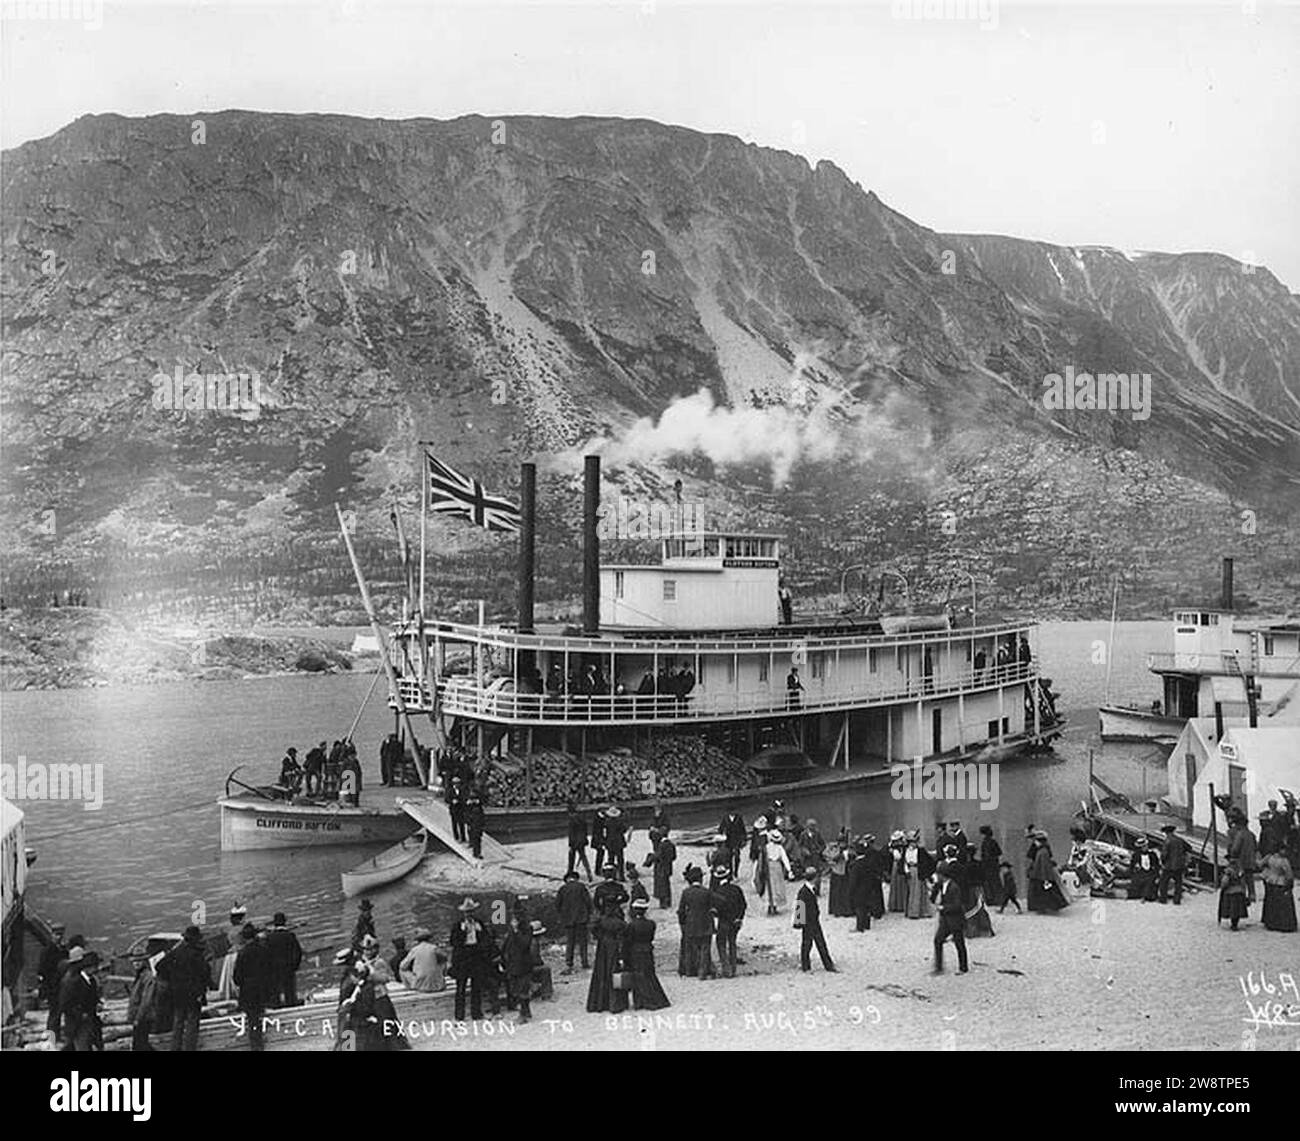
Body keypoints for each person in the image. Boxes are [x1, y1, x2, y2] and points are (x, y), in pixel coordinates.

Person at [156, 925, 213, 1052]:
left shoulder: (175, 952)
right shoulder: (196, 954)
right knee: (192, 1024)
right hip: (193, 994)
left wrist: (171, 979)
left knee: (178, 1023)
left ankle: (175, 1048)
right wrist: (204, 987)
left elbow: (159, 966)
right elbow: (205, 973)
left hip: (177, 994)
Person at [622, 899, 670, 1009]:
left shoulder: (631, 925)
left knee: (638, 976)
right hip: (647, 950)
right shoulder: (651, 924)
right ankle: (655, 999)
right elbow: (651, 938)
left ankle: (640, 1002)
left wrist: (624, 956)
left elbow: (628, 941)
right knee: (649, 974)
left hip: (635, 952)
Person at [233, 924, 272, 1051]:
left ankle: (256, 1046)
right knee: (262, 1014)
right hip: (263, 988)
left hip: (248, 991)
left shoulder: (242, 953)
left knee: (253, 1020)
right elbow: (269, 968)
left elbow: (237, 977)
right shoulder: (263, 950)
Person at [586, 902, 630, 1014]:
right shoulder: (620, 923)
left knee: (601, 972)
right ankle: (615, 1004)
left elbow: (592, 928)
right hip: (614, 947)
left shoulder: (601, 921)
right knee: (614, 972)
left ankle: (599, 1003)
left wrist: (599, 937)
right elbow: (625, 935)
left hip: (603, 947)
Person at [450, 898, 490, 1021]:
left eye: (471, 911)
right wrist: (463, 932)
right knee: (460, 987)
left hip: (475, 955)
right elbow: (453, 942)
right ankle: (459, 1015)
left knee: (476, 986)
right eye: (467, 912)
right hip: (463, 957)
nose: (469, 914)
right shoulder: (458, 925)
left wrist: (480, 933)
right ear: (464, 913)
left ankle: (476, 1013)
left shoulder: (479, 923)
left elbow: (487, 940)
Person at [677, 866, 717, 979]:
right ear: (700, 879)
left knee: (690, 948)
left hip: (691, 923)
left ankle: (689, 970)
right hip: (705, 923)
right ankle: (703, 972)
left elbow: (681, 910)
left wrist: (682, 923)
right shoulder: (706, 892)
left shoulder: (686, 892)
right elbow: (713, 906)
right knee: (705, 948)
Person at [59, 949, 102, 1051]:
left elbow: (93, 999)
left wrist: (98, 1004)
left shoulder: (92, 981)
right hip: (76, 1023)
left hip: (90, 1022)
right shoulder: (74, 982)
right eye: (94, 966)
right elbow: (65, 1004)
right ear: (86, 967)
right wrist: (80, 1014)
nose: (96, 969)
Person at [795, 867, 837, 973]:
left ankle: (823, 965)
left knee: (816, 943)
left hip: (812, 921)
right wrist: (801, 923)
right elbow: (800, 908)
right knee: (810, 944)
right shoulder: (804, 892)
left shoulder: (806, 890)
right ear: (814, 878)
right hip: (809, 922)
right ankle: (810, 966)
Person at [931, 862, 969, 974]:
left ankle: (963, 967)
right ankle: (939, 967)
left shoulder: (954, 887)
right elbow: (933, 897)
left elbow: (957, 906)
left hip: (955, 919)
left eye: (938, 875)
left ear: (943, 875)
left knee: (959, 943)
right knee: (938, 940)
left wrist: (943, 908)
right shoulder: (942, 885)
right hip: (946, 920)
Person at [711, 866, 746, 978]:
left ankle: (726, 969)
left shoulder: (718, 892)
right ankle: (733, 968)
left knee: (721, 943)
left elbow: (716, 909)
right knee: (732, 943)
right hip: (736, 921)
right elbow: (743, 905)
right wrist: (739, 917)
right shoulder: (737, 889)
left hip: (724, 921)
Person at [556, 870, 593, 972]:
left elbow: (557, 905)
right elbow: (588, 902)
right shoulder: (581, 887)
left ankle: (569, 962)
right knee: (583, 942)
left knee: (570, 942)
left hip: (568, 920)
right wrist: (589, 914)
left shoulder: (562, 889)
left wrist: (563, 915)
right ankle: (584, 962)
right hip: (581, 919)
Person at [500, 917, 535, 1023]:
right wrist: (502, 959)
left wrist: (516, 931)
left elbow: (524, 944)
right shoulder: (511, 932)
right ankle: (526, 1011)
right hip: (513, 964)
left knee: (523, 989)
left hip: (524, 964)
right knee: (515, 989)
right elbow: (506, 946)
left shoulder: (527, 930)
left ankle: (523, 1014)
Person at [265, 912, 302, 1007]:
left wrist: (268, 966)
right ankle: (291, 1002)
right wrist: (295, 965)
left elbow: (266, 953)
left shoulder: (269, 937)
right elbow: (298, 952)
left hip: (274, 967)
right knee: (289, 988)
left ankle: (276, 1003)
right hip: (288, 966)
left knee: (275, 988)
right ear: (285, 922)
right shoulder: (290, 936)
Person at [1027, 834, 1068, 912]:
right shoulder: (1043, 851)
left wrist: (1043, 877)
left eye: (1036, 841)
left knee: (1045, 892)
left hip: (1041, 876)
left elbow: (1043, 866)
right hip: (1042, 875)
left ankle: (1044, 908)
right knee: (1048, 892)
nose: (1035, 843)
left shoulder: (1042, 852)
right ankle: (1049, 907)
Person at [38, 924, 69, 1027]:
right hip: (52, 986)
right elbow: (42, 970)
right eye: (56, 934)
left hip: (61, 985)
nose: (59, 937)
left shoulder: (63, 950)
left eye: (60, 935)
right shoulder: (47, 951)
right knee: (54, 1013)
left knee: (59, 1011)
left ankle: (57, 1036)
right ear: (52, 935)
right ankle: (51, 1038)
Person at [1259, 850, 1297, 933]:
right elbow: (1289, 873)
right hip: (1281, 882)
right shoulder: (1284, 861)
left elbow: (1259, 864)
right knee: (1283, 905)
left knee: (1271, 903)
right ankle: (1283, 924)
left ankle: (1270, 922)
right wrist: (1290, 882)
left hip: (1270, 880)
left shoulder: (1269, 857)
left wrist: (1266, 872)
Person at [1226, 810, 1258, 905]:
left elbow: (1235, 848)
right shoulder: (1251, 834)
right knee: (1250, 879)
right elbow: (1256, 847)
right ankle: (1252, 895)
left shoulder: (1239, 834)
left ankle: (1243, 897)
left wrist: (1231, 854)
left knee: (1241, 880)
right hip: (1250, 860)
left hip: (1241, 861)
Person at [216, 902, 247, 1000]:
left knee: (231, 978)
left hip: (231, 956)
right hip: (239, 954)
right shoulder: (244, 929)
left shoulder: (231, 930)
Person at [1157, 824, 1190, 904]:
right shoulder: (1180, 840)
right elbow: (1189, 848)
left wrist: (1162, 861)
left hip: (1169, 866)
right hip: (1179, 866)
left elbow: (1164, 854)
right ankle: (1177, 900)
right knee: (1178, 883)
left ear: (1166, 833)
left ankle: (1163, 899)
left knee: (1163, 882)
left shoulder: (1167, 841)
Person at [905, 831, 934, 919]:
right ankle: (911, 912)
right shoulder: (906, 851)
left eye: (915, 841)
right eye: (912, 842)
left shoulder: (920, 851)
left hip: (918, 871)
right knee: (911, 892)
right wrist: (906, 871)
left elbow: (929, 861)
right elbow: (904, 862)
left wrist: (926, 872)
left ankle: (921, 911)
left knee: (919, 891)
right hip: (910, 871)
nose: (914, 843)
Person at [764, 828, 792, 915]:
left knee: (770, 886)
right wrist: (789, 869)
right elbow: (784, 859)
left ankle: (770, 905)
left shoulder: (766, 847)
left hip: (769, 866)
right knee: (777, 886)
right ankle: (774, 906)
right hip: (777, 866)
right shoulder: (780, 848)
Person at [647, 828, 676, 909]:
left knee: (661, 885)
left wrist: (652, 858)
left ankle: (663, 903)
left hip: (661, 868)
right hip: (668, 867)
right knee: (667, 884)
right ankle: (668, 901)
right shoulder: (671, 844)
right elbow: (674, 857)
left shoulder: (662, 845)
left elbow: (658, 856)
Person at [1218, 860, 1249, 931]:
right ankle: (1235, 923)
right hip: (1239, 891)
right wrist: (1244, 891)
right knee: (1237, 909)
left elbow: (1225, 882)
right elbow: (1243, 883)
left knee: (1232, 909)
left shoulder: (1228, 872)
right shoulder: (1240, 872)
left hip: (1230, 892)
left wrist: (1223, 887)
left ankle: (1233, 924)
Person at [977, 825, 1003, 907]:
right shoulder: (993, 841)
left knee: (989, 883)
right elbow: (999, 852)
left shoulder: (986, 842)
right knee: (995, 882)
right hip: (994, 865)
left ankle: (992, 899)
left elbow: (986, 856)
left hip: (988, 866)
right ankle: (998, 899)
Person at [1128, 837, 1160, 901]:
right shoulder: (1136, 855)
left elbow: (1157, 865)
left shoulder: (1152, 854)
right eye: (1143, 847)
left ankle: (1148, 896)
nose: (1144, 848)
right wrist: (1132, 873)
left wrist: (1157, 874)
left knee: (1150, 881)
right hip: (1141, 872)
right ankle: (1136, 895)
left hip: (1150, 872)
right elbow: (1132, 865)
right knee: (1136, 880)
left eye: (1145, 846)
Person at [566, 802, 592, 880]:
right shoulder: (582, 819)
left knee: (571, 858)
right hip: (582, 841)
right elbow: (585, 830)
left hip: (575, 842)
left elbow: (572, 833)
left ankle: (569, 873)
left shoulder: (572, 820)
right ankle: (589, 873)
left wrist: (571, 844)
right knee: (583, 857)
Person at [827, 839, 852, 918]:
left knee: (844, 892)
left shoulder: (848, 851)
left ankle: (845, 910)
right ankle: (837, 910)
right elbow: (833, 858)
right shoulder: (834, 850)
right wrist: (840, 853)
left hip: (844, 873)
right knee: (837, 893)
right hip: (837, 872)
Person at [719, 810, 746, 877]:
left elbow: (743, 829)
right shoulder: (725, 818)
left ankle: (736, 871)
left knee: (737, 857)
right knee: (729, 857)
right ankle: (730, 872)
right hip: (728, 841)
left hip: (737, 840)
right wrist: (722, 836)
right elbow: (721, 828)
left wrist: (743, 839)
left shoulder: (739, 818)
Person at [888, 832, 909, 913]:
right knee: (898, 884)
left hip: (898, 865)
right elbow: (898, 857)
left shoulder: (899, 848)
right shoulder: (894, 849)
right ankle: (898, 905)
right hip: (897, 865)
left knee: (900, 884)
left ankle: (899, 904)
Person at [465, 793, 486, 859]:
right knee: (475, 839)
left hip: (478, 825)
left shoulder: (479, 807)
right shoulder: (469, 807)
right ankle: (475, 853)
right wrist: (468, 823)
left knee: (478, 840)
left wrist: (482, 825)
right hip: (473, 825)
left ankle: (478, 853)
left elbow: (482, 816)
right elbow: (467, 816)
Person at [449, 778, 469, 844]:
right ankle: (456, 837)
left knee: (461, 823)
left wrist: (460, 801)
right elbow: (446, 798)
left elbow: (465, 798)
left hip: (460, 809)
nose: (457, 785)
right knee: (454, 823)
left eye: (458, 783)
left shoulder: (462, 790)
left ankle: (463, 838)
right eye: (456, 783)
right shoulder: (450, 790)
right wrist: (452, 801)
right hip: (453, 809)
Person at [591, 807, 608, 876]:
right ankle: (597, 870)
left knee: (600, 854)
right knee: (600, 854)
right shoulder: (598, 820)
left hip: (600, 838)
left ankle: (598, 869)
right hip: (599, 839)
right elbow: (597, 832)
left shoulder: (599, 818)